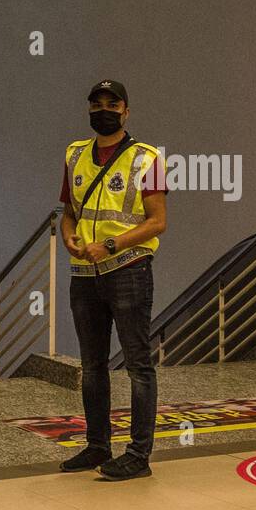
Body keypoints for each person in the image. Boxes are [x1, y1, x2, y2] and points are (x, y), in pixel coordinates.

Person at [57, 80, 168, 481]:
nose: (104, 110)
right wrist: (69, 236)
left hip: (129, 271)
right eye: (96, 104)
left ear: (126, 110)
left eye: (112, 103)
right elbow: (68, 210)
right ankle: (98, 446)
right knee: (92, 365)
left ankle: (138, 454)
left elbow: (158, 221)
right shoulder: (74, 154)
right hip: (85, 274)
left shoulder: (147, 157)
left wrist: (111, 243)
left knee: (139, 366)